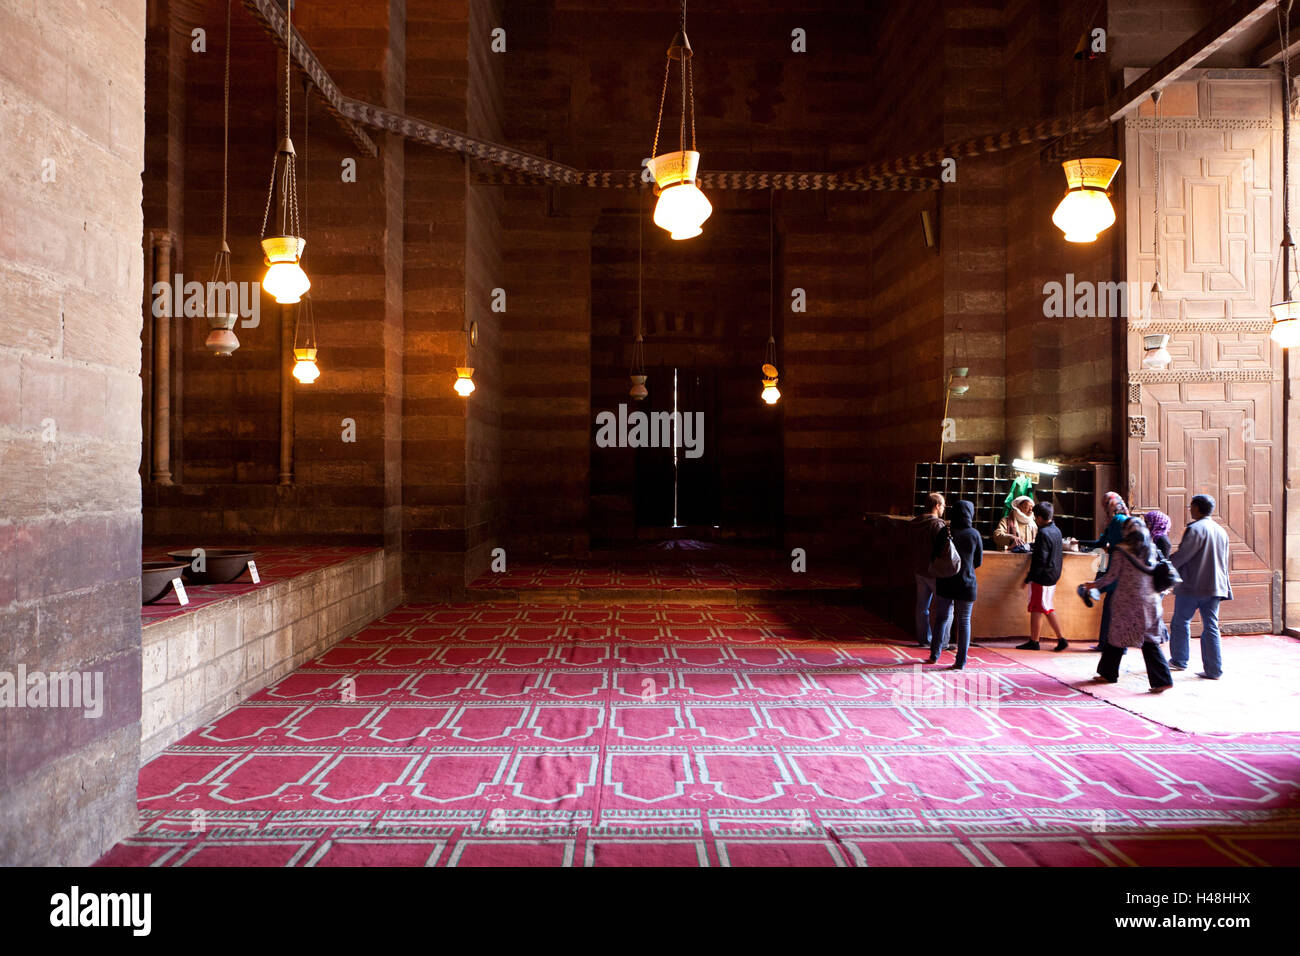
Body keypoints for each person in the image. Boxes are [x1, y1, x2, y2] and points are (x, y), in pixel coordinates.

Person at [1084, 520, 1174, 693]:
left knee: (1116, 636)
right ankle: (1162, 679)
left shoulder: (1121, 550)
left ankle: (1108, 673)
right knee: (1149, 641)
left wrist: (1093, 585)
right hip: (1150, 601)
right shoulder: (1152, 548)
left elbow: (1111, 576)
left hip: (1127, 601)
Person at [1168, 494, 1232, 680]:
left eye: (1191, 507)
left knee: (1180, 622)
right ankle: (1214, 670)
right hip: (1215, 586)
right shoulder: (1221, 530)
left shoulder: (1195, 528)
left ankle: (1179, 660)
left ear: (1196, 508)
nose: (1190, 510)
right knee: (1211, 625)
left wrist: (1166, 564)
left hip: (1192, 585)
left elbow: (1183, 555)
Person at [927, 499, 982, 670]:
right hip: (966, 583)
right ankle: (960, 661)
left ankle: (934, 654)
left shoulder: (945, 531)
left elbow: (935, 555)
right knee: (964, 621)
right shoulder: (974, 534)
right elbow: (978, 561)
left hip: (946, 581)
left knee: (941, 618)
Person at [1080, 492, 1131, 651]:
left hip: (1117, 570)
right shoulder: (1129, 520)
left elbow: (1103, 542)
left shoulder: (1116, 521)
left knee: (1110, 608)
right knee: (1121, 609)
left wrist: (1079, 542)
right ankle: (1119, 645)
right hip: (1130, 573)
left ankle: (1108, 644)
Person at [1017, 501, 1066, 651]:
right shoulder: (1056, 530)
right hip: (1052, 575)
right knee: (1040, 608)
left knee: (1043, 607)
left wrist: (1029, 578)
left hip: (1042, 577)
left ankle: (1057, 639)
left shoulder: (1043, 534)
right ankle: (1036, 640)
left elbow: (1040, 560)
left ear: (1038, 518)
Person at [910, 493, 947, 648]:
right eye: (943, 505)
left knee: (922, 606)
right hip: (933, 570)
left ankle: (924, 639)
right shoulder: (938, 524)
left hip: (919, 568)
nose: (944, 508)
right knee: (943, 607)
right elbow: (942, 549)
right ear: (937, 505)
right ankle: (941, 641)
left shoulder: (914, 522)